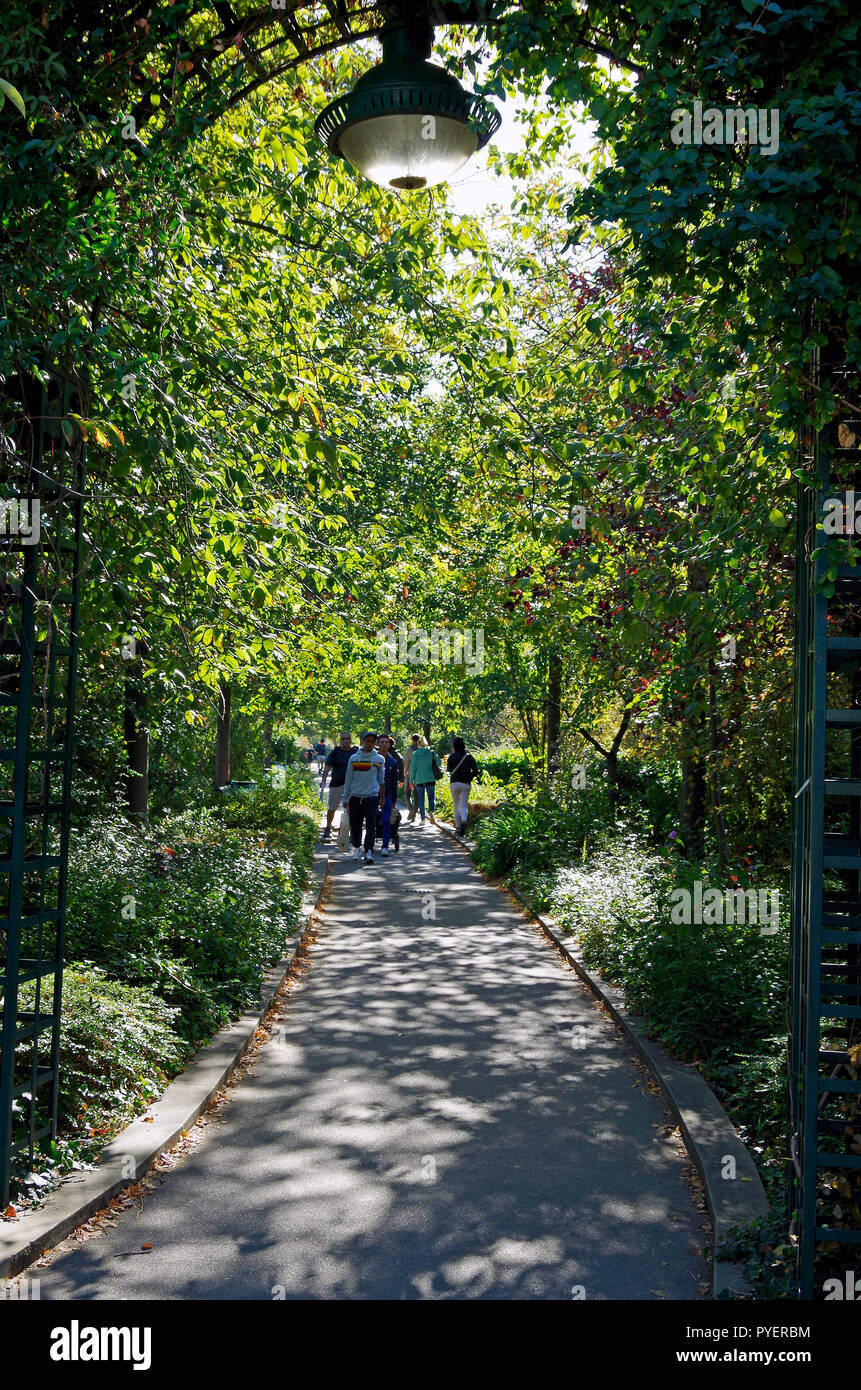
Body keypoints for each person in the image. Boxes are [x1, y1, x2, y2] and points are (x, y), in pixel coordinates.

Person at [341, 730, 386, 864]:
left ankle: (369, 851)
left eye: (373, 741)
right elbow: (348, 779)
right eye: (368, 741)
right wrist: (345, 798)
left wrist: (382, 798)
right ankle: (356, 848)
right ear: (363, 741)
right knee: (356, 825)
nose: (370, 744)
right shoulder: (354, 758)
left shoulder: (379, 759)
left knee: (371, 825)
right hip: (355, 797)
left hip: (371, 797)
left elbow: (381, 780)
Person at [319, 732, 356, 842]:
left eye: (347, 739)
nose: (345, 741)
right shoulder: (335, 752)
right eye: (343, 739)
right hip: (336, 784)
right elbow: (327, 767)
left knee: (350, 809)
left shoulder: (355, 753)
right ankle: (328, 828)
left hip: (351, 786)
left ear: (350, 740)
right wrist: (323, 780)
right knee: (332, 808)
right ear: (340, 741)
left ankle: (348, 831)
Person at [447, 736, 479, 836]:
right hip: (465, 783)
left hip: (454, 783)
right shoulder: (469, 757)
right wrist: (469, 777)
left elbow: (449, 770)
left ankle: (458, 827)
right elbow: (476, 771)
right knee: (464, 805)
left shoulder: (451, 757)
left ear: (454, 746)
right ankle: (464, 820)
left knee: (456, 805)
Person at [408, 735, 442, 825]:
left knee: (421, 800)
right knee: (431, 798)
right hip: (430, 778)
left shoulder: (415, 754)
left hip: (419, 780)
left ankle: (423, 819)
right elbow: (439, 763)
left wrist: (411, 781)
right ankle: (431, 812)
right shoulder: (431, 752)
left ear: (419, 744)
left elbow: (413, 769)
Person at [377, 735, 400, 857]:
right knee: (370, 821)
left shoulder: (393, 762)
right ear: (378, 744)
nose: (384, 744)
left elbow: (394, 782)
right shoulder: (373, 759)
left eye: (386, 742)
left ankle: (385, 846)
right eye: (381, 742)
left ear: (389, 745)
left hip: (388, 795)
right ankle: (367, 847)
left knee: (386, 820)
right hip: (373, 794)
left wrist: (394, 800)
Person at [403, 733, 420, 821]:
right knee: (416, 795)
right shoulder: (421, 749)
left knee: (407, 793)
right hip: (419, 775)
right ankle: (414, 812)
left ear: (412, 740)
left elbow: (406, 761)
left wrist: (404, 771)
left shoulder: (409, 750)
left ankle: (411, 809)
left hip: (409, 774)